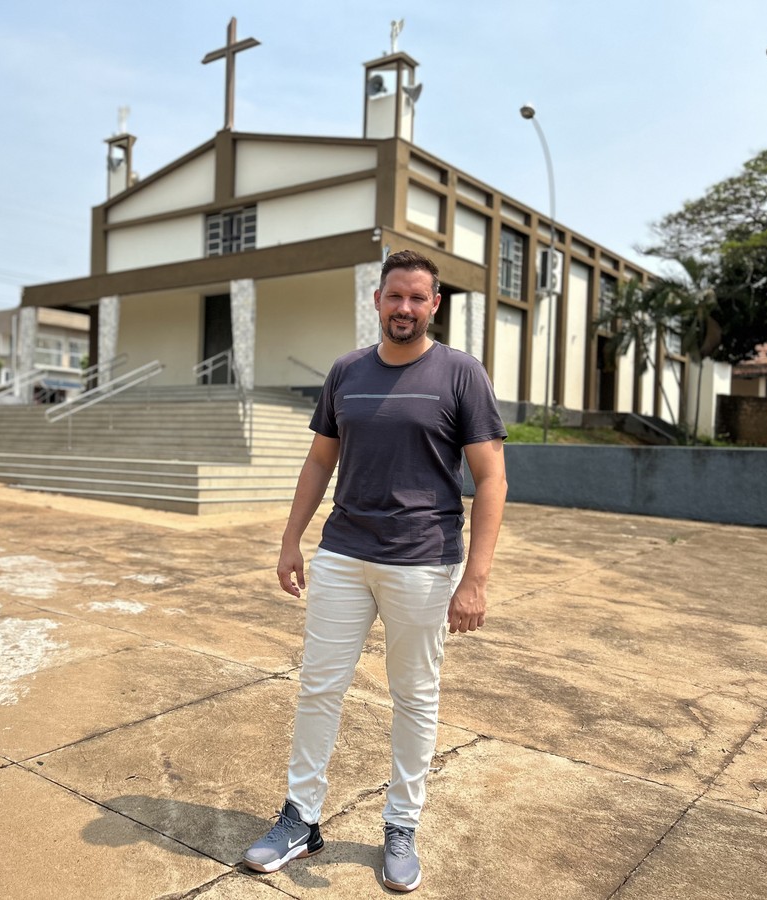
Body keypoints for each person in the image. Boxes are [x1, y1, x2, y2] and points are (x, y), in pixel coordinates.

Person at [242, 249, 508, 892]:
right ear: (377, 300)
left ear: (434, 304)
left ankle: (401, 825)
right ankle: (301, 819)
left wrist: (475, 579)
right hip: (342, 554)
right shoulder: (346, 371)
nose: (404, 308)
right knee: (318, 687)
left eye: (417, 298)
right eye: (395, 296)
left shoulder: (460, 373)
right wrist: (290, 540)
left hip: (423, 561)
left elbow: (492, 478)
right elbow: (319, 461)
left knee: (414, 697)